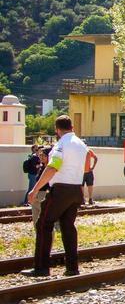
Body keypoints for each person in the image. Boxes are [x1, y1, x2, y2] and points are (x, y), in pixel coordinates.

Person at [21, 115, 89, 277]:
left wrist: (35, 189)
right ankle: (72, 268)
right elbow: (86, 168)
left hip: (60, 190)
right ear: (72, 127)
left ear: (57, 130)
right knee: (68, 226)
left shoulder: (61, 144)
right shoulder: (81, 144)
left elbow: (53, 167)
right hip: (76, 190)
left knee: (43, 224)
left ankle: (41, 267)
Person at [31, 146, 52, 225]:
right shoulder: (41, 167)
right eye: (40, 155)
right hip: (37, 193)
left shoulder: (50, 168)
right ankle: (38, 236)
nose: (41, 157)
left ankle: (49, 237)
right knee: (35, 218)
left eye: (44, 155)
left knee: (45, 218)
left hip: (44, 193)